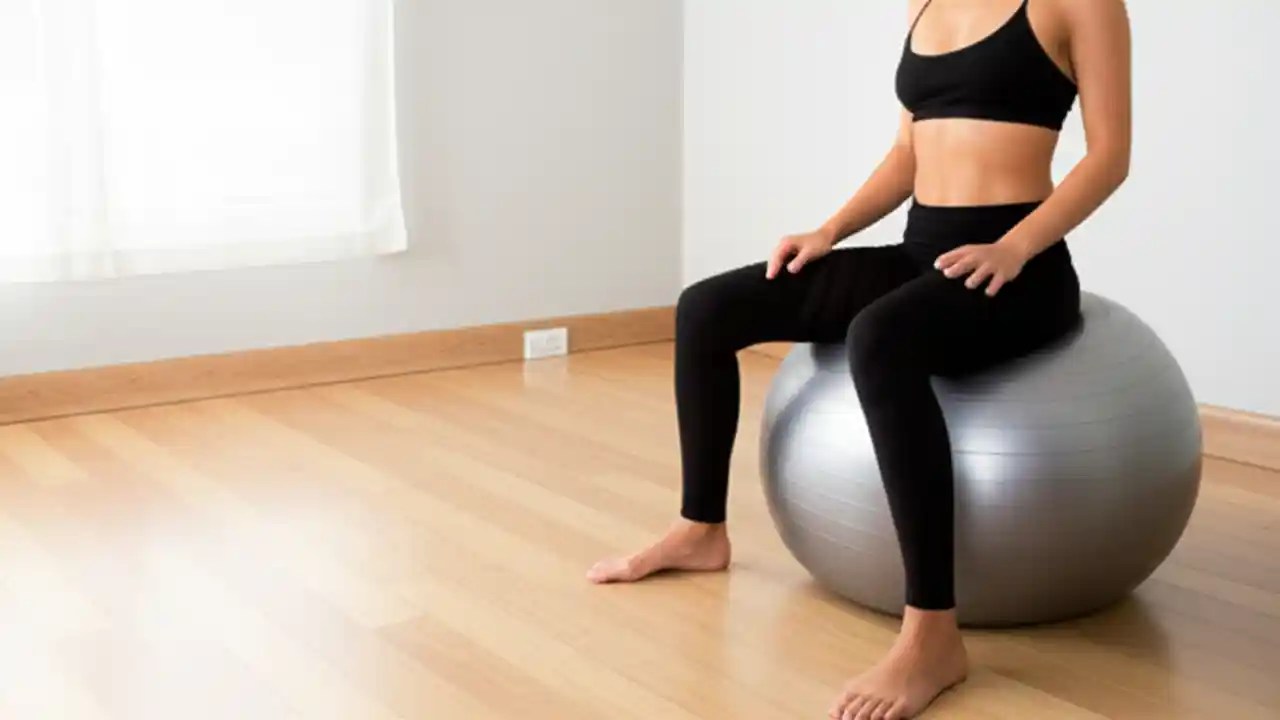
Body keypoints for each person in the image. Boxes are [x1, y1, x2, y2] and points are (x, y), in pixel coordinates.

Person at [589, 0, 1132, 717]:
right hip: (922, 254)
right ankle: (700, 530)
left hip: (1019, 269)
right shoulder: (927, 3)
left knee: (880, 338)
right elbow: (909, 153)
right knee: (707, 308)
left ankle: (933, 633)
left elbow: (1109, 156)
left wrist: (1016, 246)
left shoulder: (1082, 2)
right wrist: (830, 230)